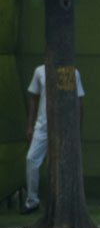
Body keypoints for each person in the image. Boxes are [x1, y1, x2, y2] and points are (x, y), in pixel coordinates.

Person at [23, 64, 85, 214]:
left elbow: (79, 101)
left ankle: (65, 201)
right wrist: (30, 125)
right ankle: (32, 201)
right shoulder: (39, 71)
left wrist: (77, 127)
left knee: (66, 162)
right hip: (43, 125)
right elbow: (34, 98)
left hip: (65, 126)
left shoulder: (72, 71)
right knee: (31, 159)